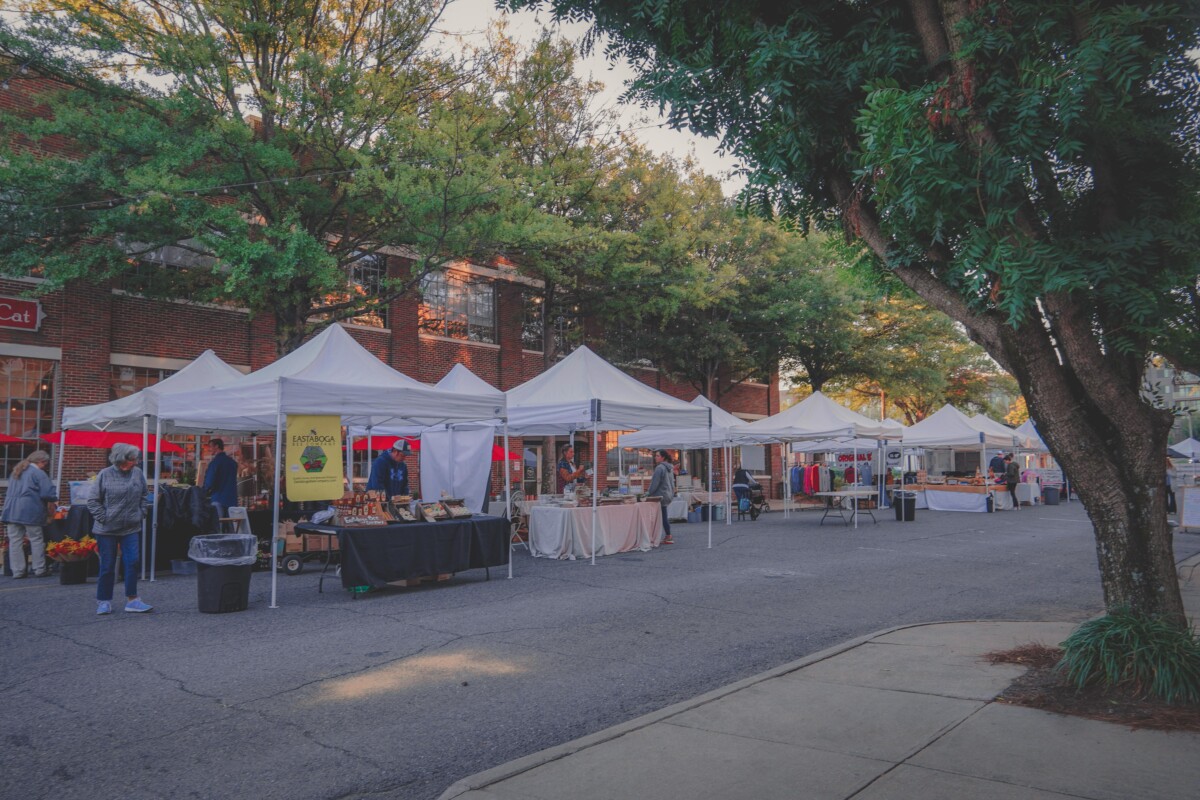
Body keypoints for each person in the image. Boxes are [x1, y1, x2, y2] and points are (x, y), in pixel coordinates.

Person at [88, 443, 152, 614]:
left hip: (131, 527)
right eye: (133, 459)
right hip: (106, 530)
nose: (136, 462)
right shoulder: (105, 475)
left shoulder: (137, 474)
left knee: (132, 562)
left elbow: (145, 495)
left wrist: (141, 513)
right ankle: (104, 601)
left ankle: (132, 600)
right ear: (121, 459)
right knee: (107, 566)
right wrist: (104, 518)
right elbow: (93, 501)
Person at [2, 450, 57, 578]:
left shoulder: (17, 471)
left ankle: (18, 571)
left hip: (11, 510)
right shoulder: (39, 473)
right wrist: (54, 498)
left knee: (15, 541)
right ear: (42, 462)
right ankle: (39, 569)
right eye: (46, 463)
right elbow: (47, 493)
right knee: (36, 539)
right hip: (30, 509)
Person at [202, 438, 238, 517]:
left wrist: (203, 491)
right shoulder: (232, 462)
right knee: (231, 525)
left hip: (218, 498)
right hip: (232, 498)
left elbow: (209, 482)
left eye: (210, 447)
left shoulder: (215, 463)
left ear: (217, 446)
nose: (209, 449)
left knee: (218, 525)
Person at [647, 449, 676, 544]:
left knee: (659, 516)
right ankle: (668, 535)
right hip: (668, 494)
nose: (655, 457)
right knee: (663, 515)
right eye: (655, 456)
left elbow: (655, 483)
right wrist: (671, 493)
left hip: (660, 495)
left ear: (663, 457)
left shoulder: (660, 468)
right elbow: (672, 483)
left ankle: (665, 535)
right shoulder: (670, 468)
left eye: (657, 456)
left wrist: (648, 493)